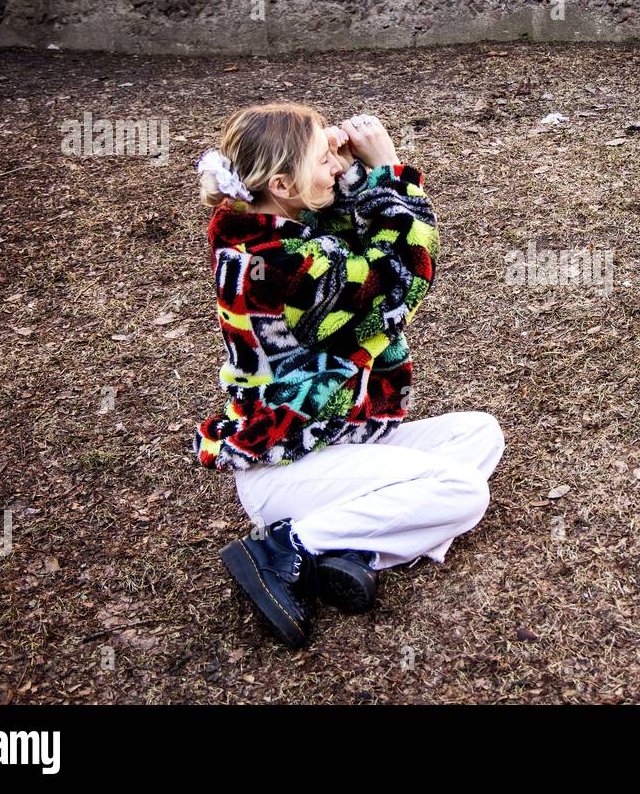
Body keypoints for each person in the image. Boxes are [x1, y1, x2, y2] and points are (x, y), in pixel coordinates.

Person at [194, 102, 504, 649]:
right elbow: (398, 277)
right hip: (286, 465)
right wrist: (388, 172)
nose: (334, 166)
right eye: (323, 160)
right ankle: (283, 549)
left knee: (479, 435)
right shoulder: (283, 263)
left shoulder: (274, 226)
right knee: (463, 494)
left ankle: (343, 552)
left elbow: (339, 229)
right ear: (284, 183)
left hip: (330, 443)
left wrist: (347, 168)